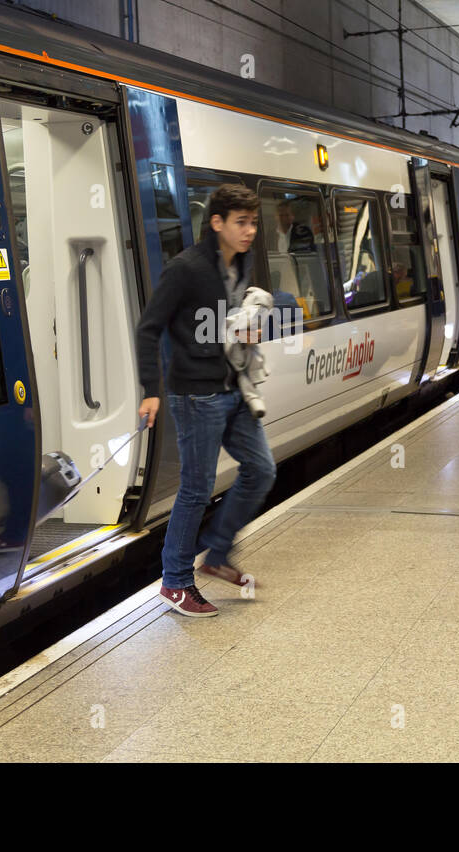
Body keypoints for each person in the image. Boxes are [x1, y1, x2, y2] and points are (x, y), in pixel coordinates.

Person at [136, 184, 277, 617]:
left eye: (253, 222)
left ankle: (216, 554)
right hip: (196, 395)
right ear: (217, 223)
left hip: (233, 389)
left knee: (260, 469)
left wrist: (247, 333)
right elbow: (149, 329)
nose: (250, 230)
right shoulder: (186, 269)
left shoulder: (239, 265)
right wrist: (151, 391)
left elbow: (225, 324)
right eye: (241, 223)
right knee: (196, 490)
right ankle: (176, 583)